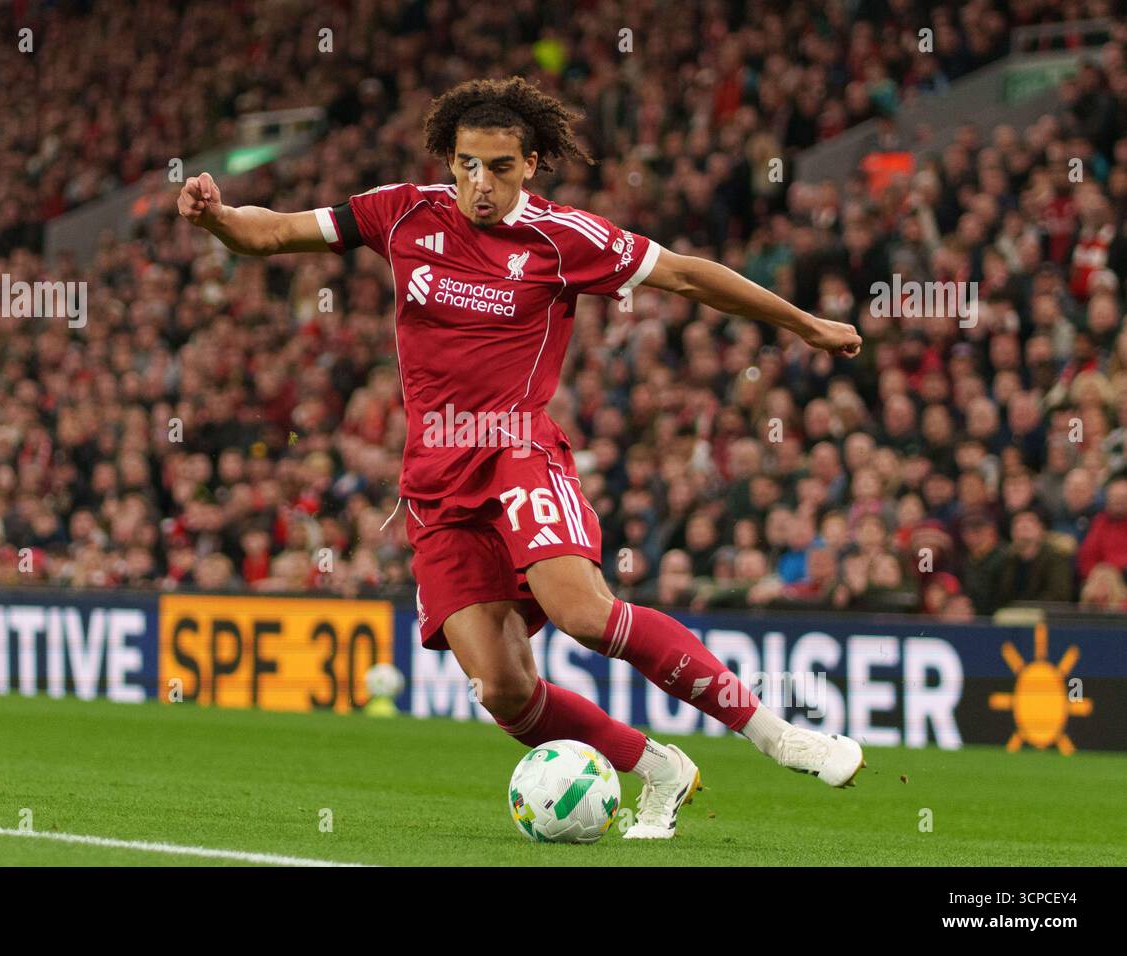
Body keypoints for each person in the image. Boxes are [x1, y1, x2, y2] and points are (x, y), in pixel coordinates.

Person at [177, 77, 865, 840]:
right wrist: (217, 218)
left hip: (517, 450)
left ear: (531, 164)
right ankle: (658, 769)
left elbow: (686, 274)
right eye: (467, 164)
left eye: (499, 167)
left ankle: (778, 735)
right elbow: (268, 234)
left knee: (583, 613)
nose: (480, 183)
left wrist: (804, 325)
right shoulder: (401, 211)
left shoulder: (562, 238)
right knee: (503, 689)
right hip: (434, 482)